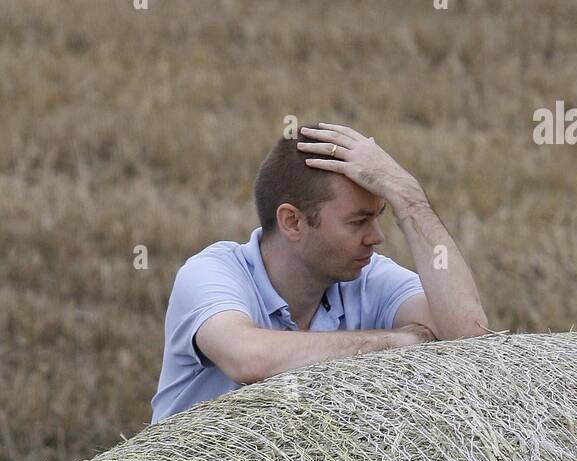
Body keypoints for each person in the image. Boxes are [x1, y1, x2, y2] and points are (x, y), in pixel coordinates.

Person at [151, 120, 488, 423]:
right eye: (359, 221)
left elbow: (472, 339)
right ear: (293, 222)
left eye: (379, 216)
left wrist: (410, 199)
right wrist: (398, 341)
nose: (377, 237)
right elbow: (248, 360)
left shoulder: (369, 278)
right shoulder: (211, 272)